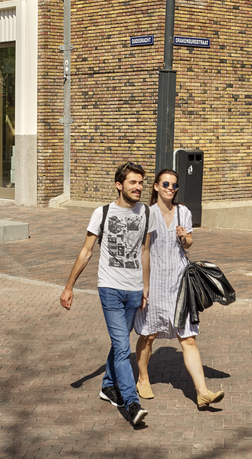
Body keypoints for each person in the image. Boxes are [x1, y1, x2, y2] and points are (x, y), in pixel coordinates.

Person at [58, 162, 151, 428]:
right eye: (133, 182)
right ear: (119, 185)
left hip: (134, 289)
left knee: (120, 342)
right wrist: (69, 286)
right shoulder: (102, 213)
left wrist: (145, 286)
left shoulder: (146, 212)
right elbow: (86, 251)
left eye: (141, 182)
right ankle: (132, 403)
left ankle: (108, 385)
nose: (138, 187)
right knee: (122, 347)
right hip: (110, 288)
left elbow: (145, 251)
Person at [133, 168, 223, 410]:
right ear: (156, 186)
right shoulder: (147, 213)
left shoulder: (184, 212)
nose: (170, 188)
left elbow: (189, 243)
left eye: (174, 185)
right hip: (154, 281)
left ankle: (202, 392)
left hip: (179, 282)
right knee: (149, 334)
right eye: (166, 184)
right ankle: (143, 378)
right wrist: (143, 285)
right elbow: (142, 250)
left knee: (189, 338)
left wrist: (184, 237)